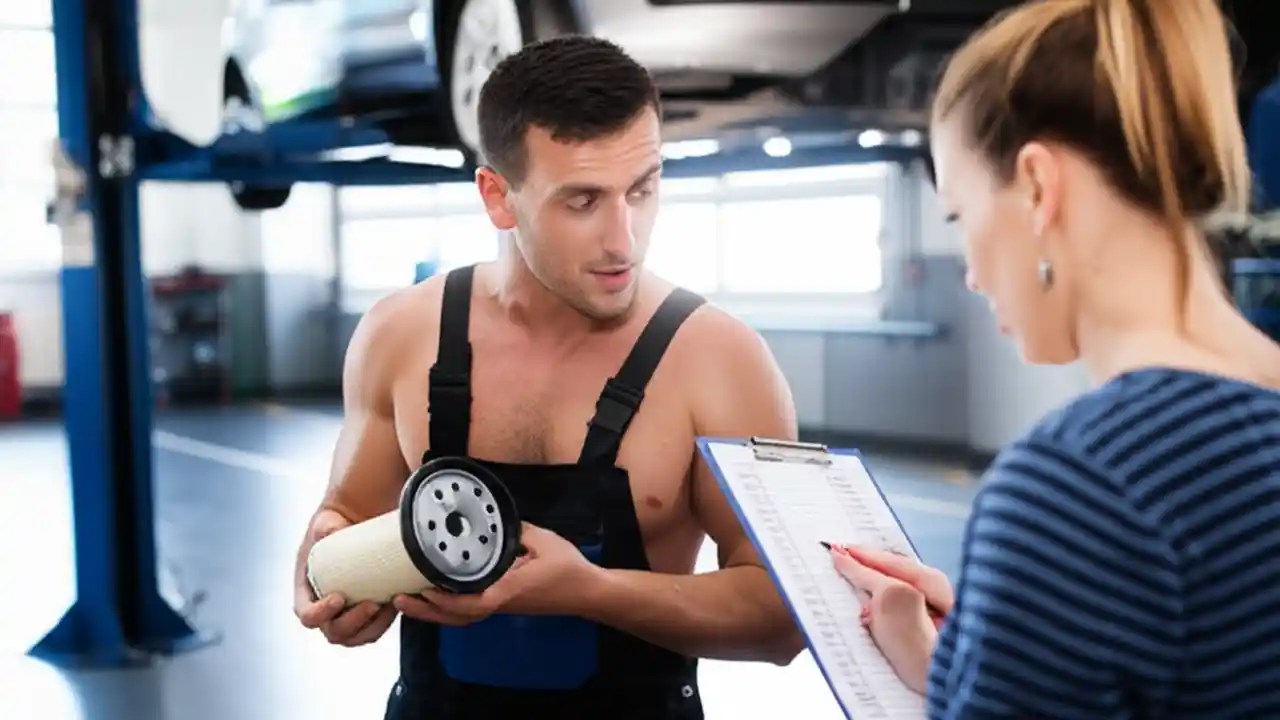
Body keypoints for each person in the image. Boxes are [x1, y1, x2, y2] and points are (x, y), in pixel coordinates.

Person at [291, 35, 804, 719]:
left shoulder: (720, 360)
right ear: (498, 197)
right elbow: (345, 514)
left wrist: (588, 590)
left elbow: (785, 619)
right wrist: (321, 582)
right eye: (583, 201)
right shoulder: (400, 335)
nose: (624, 237)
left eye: (642, 189)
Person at [830, 0, 1280, 717]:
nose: (971, 274)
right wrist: (969, 655)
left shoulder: (1082, 480)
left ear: (1038, 186)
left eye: (960, 214)